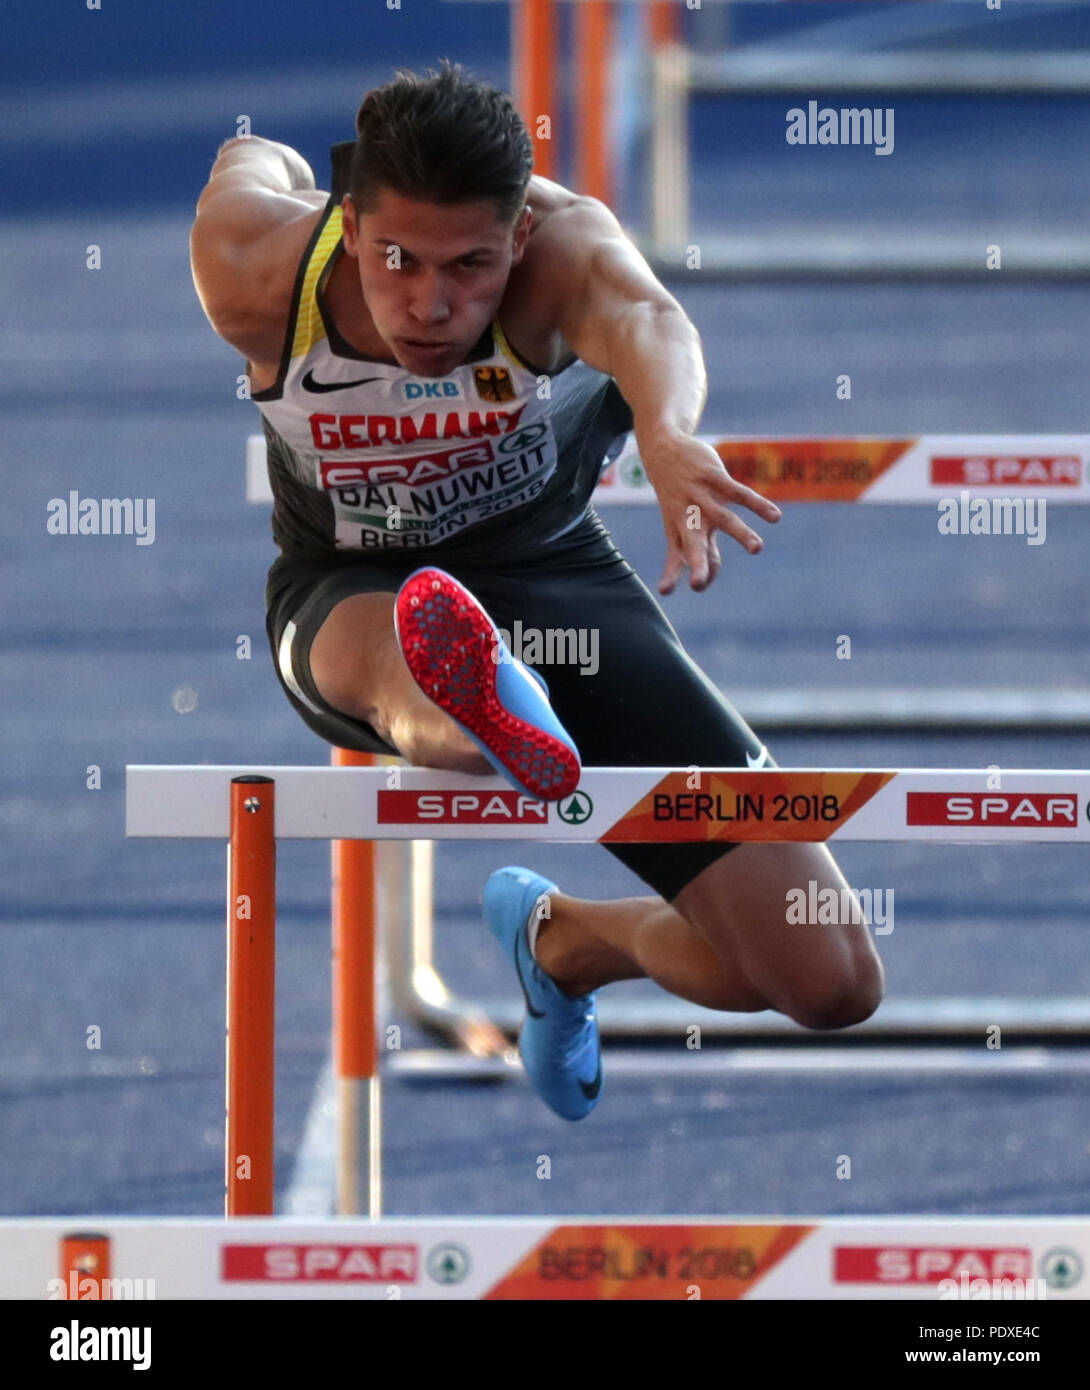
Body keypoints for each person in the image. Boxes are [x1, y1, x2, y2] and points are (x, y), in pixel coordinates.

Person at [189, 60, 883, 1122]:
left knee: (826, 978)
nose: (430, 303)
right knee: (422, 689)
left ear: (516, 239)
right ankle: (470, 694)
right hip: (348, 586)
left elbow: (652, 322)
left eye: (468, 265)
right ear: (347, 221)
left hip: (549, 575)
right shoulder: (256, 268)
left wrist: (665, 431)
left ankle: (568, 939)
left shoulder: (563, 251)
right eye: (397, 260)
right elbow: (251, 161)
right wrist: (274, 159)